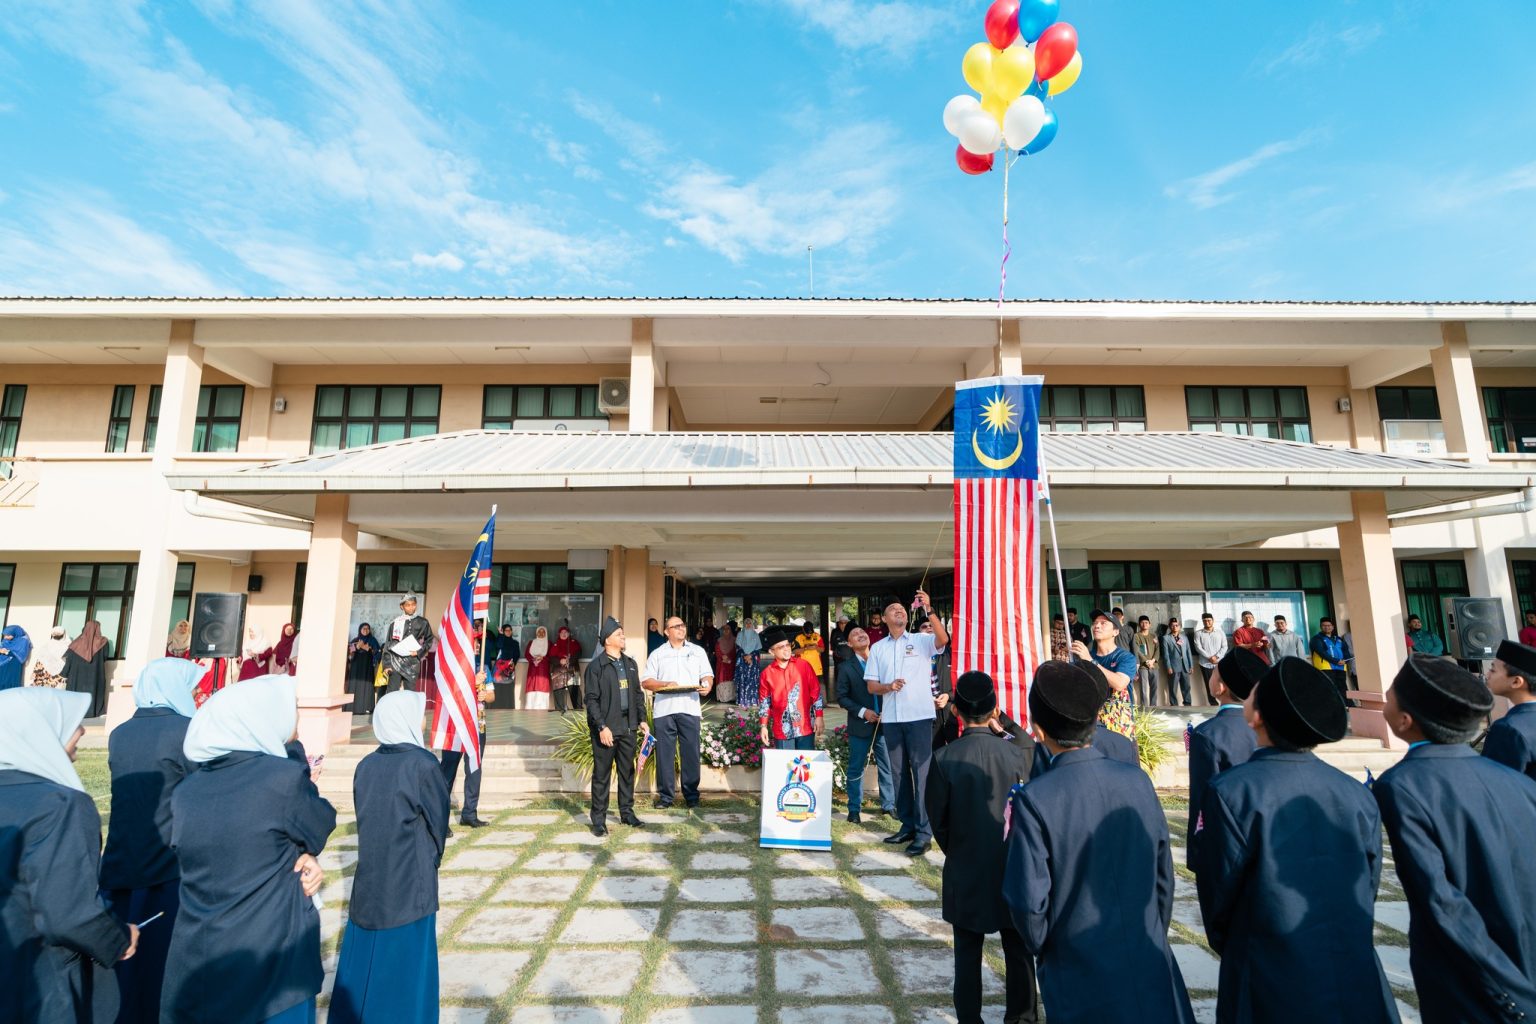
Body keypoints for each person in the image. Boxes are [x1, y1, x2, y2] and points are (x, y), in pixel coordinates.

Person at [1194, 657, 1399, 1024]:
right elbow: (1367, 882)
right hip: (1351, 965)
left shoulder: (1231, 792)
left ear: (1257, 717)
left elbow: (1218, 891)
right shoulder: (1355, 793)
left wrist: (1237, 946)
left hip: (1267, 969)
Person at [1003, 660, 1196, 1024]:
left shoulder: (1036, 799)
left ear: (1038, 730)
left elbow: (1028, 901)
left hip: (1077, 963)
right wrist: (1152, 928)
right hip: (1145, 950)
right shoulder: (1137, 781)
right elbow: (1163, 875)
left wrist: (1049, 946)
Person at [162, 676, 336, 1023]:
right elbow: (318, 827)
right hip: (270, 961)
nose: (296, 717)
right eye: (290, 709)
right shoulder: (281, 779)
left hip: (201, 955)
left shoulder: (186, 790)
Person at [1373, 655, 1536, 1022]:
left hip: (1472, 977)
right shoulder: (1518, 782)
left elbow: (1441, 901)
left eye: (1389, 697)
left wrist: (1510, 996)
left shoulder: (1402, 786)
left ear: (1404, 721)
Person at [0, 687, 137, 1024]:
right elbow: (68, 914)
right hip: (41, 985)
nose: (82, 731)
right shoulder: (61, 805)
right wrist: (118, 938)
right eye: (71, 723)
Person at [925, 671, 1037, 1024]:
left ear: (956, 710)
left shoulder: (944, 758)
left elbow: (938, 820)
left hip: (966, 865)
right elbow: (1028, 747)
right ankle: (1022, 1017)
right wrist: (1003, 723)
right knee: (1019, 952)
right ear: (995, 709)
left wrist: (959, 849)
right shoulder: (1017, 753)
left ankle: (970, 1019)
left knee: (967, 955)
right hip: (1014, 865)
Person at [330, 691, 448, 1023]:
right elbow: (438, 825)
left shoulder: (365, 766)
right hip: (410, 882)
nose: (423, 721)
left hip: (370, 879)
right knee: (406, 968)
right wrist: (430, 861)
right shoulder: (424, 765)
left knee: (367, 961)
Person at [99, 658, 204, 1023]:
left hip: (121, 857)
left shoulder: (119, 733)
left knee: (124, 966)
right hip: (167, 864)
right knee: (161, 968)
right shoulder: (186, 730)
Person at [864, 590, 948, 857]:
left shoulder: (921, 640)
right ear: (884, 618)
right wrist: (888, 686)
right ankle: (908, 825)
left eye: (901, 608)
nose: (899, 611)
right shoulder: (878, 648)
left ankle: (924, 833)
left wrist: (929, 610)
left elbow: (943, 639)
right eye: (893, 609)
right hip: (892, 720)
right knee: (899, 774)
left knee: (921, 774)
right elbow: (872, 686)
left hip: (919, 717)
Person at [1185, 648, 1265, 871]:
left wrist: (1197, 853)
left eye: (1213, 673)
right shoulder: (1267, 727)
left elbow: (1202, 799)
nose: (1210, 676)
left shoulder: (1208, 734)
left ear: (1220, 688)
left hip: (1227, 845)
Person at [584, 616, 648, 837]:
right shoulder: (596, 667)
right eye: (619, 634)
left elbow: (638, 695)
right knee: (601, 775)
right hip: (606, 730)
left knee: (626, 773)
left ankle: (627, 813)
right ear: (607, 640)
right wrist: (602, 727)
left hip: (628, 727)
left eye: (622, 634)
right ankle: (599, 821)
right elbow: (591, 700)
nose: (623, 637)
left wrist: (642, 719)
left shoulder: (630, 664)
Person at [641, 616, 713, 810]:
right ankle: (666, 797)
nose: (681, 628)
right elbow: (646, 681)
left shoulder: (697, 651)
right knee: (665, 754)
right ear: (667, 631)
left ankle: (692, 796)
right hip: (664, 710)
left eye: (683, 625)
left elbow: (707, 675)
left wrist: (707, 685)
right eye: (676, 626)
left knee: (691, 753)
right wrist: (665, 684)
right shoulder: (658, 654)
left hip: (689, 708)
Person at [834, 625, 894, 823]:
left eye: (862, 632)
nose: (860, 635)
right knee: (856, 767)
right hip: (860, 725)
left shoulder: (882, 661)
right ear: (849, 644)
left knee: (887, 766)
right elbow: (842, 697)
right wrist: (863, 712)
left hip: (885, 725)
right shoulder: (845, 667)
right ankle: (854, 809)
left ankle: (889, 805)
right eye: (855, 634)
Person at [439, 668, 493, 830]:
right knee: (448, 770)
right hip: (455, 724)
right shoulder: (452, 661)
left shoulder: (482, 668)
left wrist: (485, 695)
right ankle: (440, 819)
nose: (475, 653)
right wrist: (472, 682)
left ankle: (470, 813)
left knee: (474, 770)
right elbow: (449, 691)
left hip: (477, 724)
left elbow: (492, 695)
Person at [757, 626, 824, 751]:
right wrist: (763, 726)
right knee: (786, 762)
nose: (786, 649)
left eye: (787, 645)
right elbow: (764, 702)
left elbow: (815, 692)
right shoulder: (767, 674)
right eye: (781, 647)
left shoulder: (804, 665)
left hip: (805, 726)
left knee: (805, 762)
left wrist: (819, 716)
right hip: (782, 730)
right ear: (772, 651)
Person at [1075, 609, 1137, 738]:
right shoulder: (1085, 657)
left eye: (1103, 623)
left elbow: (1119, 683)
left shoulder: (1125, 657)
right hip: (1091, 722)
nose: (1097, 626)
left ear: (1115, 632)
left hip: (1118, 723)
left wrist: (1091, 662)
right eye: (1095, 623)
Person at [1483, 639, 1536, 779]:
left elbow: (1496, 782)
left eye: (1493, 670)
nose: (1487, 675)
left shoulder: (1508, 729)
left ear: (1516, 681)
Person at [381, 593, 433, 693]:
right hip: (395, 661)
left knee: (410, 693)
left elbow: (429, 639)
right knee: (392, 691)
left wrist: (418, 652)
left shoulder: (423, 622)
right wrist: (387, 665)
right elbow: (388, 643)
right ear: (402, 606)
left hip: (412, 662)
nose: (411, 607)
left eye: (413, 604)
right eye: (408, 605)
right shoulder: (395, 622)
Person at [61, 619, 109, 717]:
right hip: (95, 675)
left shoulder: (76, 643)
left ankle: (75, 712)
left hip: (76, 676)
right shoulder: (103, 642)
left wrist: (64, 673)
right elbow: (105, 657)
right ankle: (92, 712)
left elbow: (69, 660)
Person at [1309, 617, 1351, 707]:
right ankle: (1333, 708)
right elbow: (1322, 653)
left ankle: (1347, 706)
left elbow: (1346, 651)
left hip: (1340, 667)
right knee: (1329, 688)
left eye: (1329, 625)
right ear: (1320, 627)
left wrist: (1346, 660)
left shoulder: (1339, 639)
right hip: (1326, 668)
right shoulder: (1316, 639)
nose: (1327, 627)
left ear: (1332, 627)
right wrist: (1336, 661)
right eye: (1324, 625)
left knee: (1343, 687)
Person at [345, 623, 381, 715]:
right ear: (360, 630)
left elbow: (378, 653)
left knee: (367, 685)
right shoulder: (355, 640)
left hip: (367, 667)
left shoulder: (372, 640)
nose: (365, 630)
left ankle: (367, 707)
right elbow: (349, 655)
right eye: (363, 628)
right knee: (355, 685)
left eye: (367, 628)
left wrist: (369, 649)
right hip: (356, 668)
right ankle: (352, 708)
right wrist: (357, 647)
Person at [1193, 612, 1227, 706]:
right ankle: (1213, 703)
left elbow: (1224, 646)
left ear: (1213, 620)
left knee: (1222, 683)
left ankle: (1224, 702)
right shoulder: (1198, 633)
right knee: (1209, 684)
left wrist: (1216, 657)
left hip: (1219, 663)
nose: (1207, 622)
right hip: (1205, 663)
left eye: (1209, 620)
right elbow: (1198, 648)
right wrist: (1209, 657)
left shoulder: (1220, 632)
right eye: (1204, 621)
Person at [1160, 617, 1194, 707]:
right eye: (1172, 625)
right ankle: (1174, 705)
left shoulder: (1184, 638)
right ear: (1169, 627)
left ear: (1179, 626)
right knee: (1173, 688)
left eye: (1176, 625)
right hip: (1173, 667)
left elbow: (1188, 652)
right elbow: (1166, 655)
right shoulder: (1166, 638)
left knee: (1186, 687)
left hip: (1185, 666)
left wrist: (1191, 665)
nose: (1175, 627)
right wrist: (1168, 667)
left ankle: (1188, 704)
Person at [735, 617, 763, 710]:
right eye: (746, 623)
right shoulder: (740, 634)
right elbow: (738, 648)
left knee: (752, 679)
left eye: (750, 623)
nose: (748, 625)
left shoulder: (755, 635)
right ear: (744, 624)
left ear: (752, 624)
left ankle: (753, 700)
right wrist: (745, 656)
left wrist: (750, 656)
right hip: (742, 661)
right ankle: (742, 700)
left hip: (752, 661)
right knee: (742, 679)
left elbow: (758, 649)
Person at [524, 626, 552, 710]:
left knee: (542, 687)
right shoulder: (532, 642)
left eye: (543, 632)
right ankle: (530, 708)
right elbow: (527, 654)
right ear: (536, 633)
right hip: (533, 668)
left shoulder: (549, 643)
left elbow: (551, 656)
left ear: (546, 633)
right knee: (531, 687)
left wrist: (543, 658)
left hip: (543, 669)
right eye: (539, 632)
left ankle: (542, 710)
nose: (541, 633)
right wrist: (533, 659)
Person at [1133, 616, 1159, 706]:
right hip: (1143, 666)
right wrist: (1147, 662)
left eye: (1146, 622)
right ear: (1139, 624)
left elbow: (1157, 649)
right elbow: (1137, 650)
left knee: (1154, 687)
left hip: (1154, 665)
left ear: (1150, 624)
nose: (1144, 624)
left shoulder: (1154, 636)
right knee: (1143, 688)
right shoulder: (1136, 636)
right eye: (1142, 622)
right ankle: (1145, 708)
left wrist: (1153, 660)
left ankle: (1154, 707)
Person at [0, 622, 32, 690]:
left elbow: (21, 653)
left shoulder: (23, 641)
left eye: (8, 635)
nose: (5, 637)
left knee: (10, 681)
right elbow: (2, 646)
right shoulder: (6, 640)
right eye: (5, 635)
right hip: (3, 663)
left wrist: (5, 652)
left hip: (14, 664)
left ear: (14, 633)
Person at [714, 621, 738, 704]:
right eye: (724, 629)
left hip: (731, 663)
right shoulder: (719, 640)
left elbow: (736, 651)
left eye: (728, 629)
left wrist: (729, 658)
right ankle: (723, 697)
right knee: (722, 678)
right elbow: (717, 651)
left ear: (731, 630)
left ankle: (731, 697)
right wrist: (722, 657)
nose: (726, 630)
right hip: (722, 664)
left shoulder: (735, 640)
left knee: (731, 679)